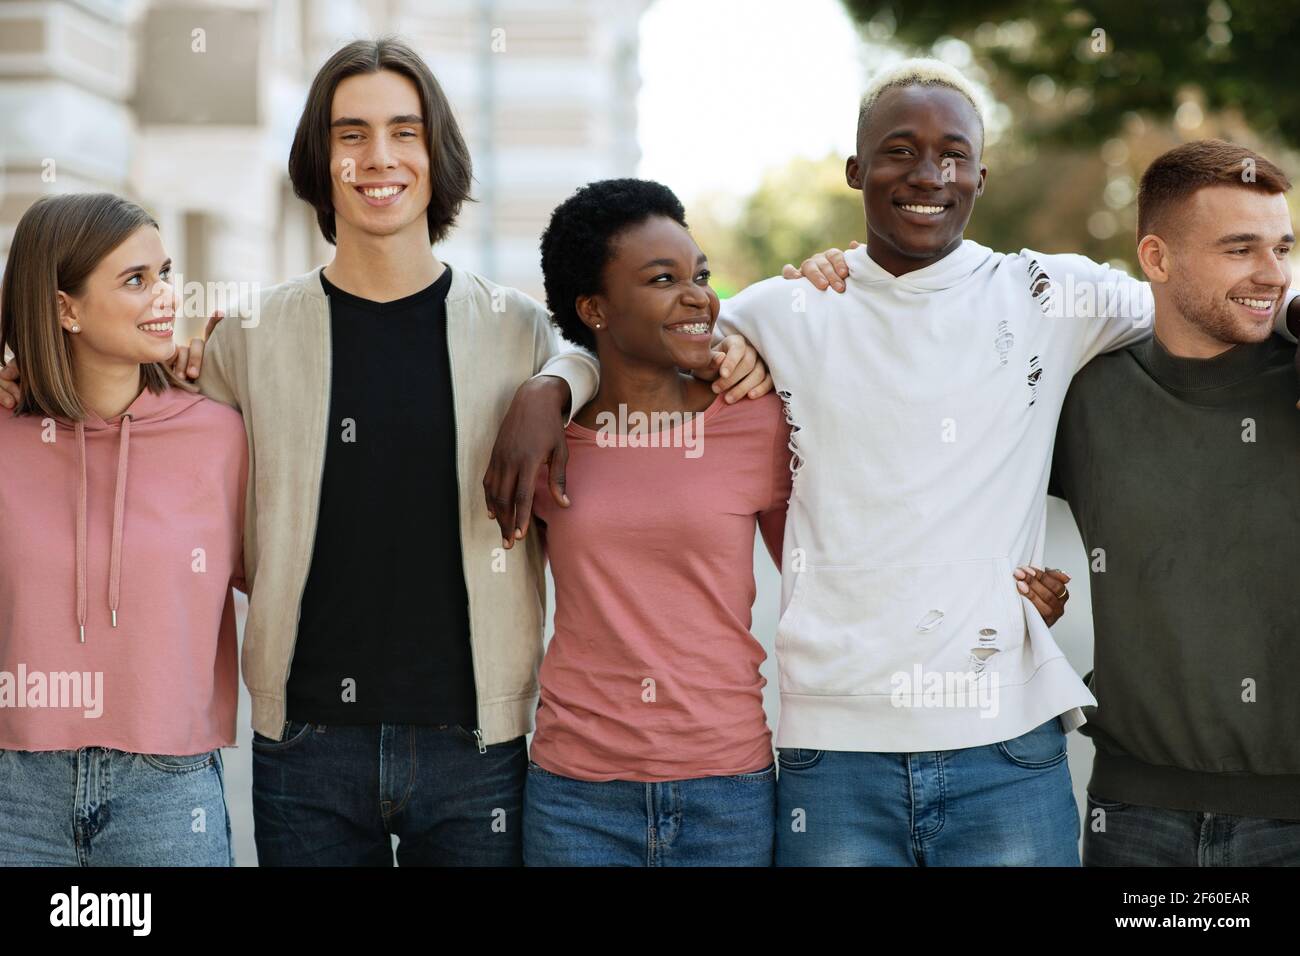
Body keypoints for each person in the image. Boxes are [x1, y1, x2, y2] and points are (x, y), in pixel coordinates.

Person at [0, 38, 770, 866]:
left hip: (479, 743)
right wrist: (24, 369)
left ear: (435, 157)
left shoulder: (515, 330)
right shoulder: (247, 338)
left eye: (404, 132)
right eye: (352, 133)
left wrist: (561, 380)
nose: (379, 157)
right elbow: (136, 420)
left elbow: (594, 354)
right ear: (320, 159)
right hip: (305, 745)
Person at [735, 58, 1300, 866]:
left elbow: (1219, 291)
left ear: (981, 176)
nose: (929, 174)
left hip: (1006, 748)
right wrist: (565, 378)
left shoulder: (1048, 293)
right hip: (832, 748)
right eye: (900, 151)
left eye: (954, 155)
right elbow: (654, 339)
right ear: (856, 170)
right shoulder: (783, 310)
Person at [521, 179, 793, 866]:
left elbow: (827, 570)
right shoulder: (542, 439)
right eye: (663, 279)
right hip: (576, 794)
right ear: (595, 309)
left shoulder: (754, 422)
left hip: (725, 787)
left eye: (699, 274)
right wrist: (543, 387)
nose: (698, 294)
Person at [1047, 141, 1300, 865]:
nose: (1272, 274)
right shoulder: (1086, 398)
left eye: (1282, 246)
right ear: (1157, 259)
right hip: (1135, 816)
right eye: (1240, 248)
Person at [0, 193, 247, 866]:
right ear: (63, 308)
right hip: (16, 790)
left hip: (168, 794)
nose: (166, 295)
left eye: (165, 273)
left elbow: (291, 578)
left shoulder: (222, 433)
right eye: (137, 281)